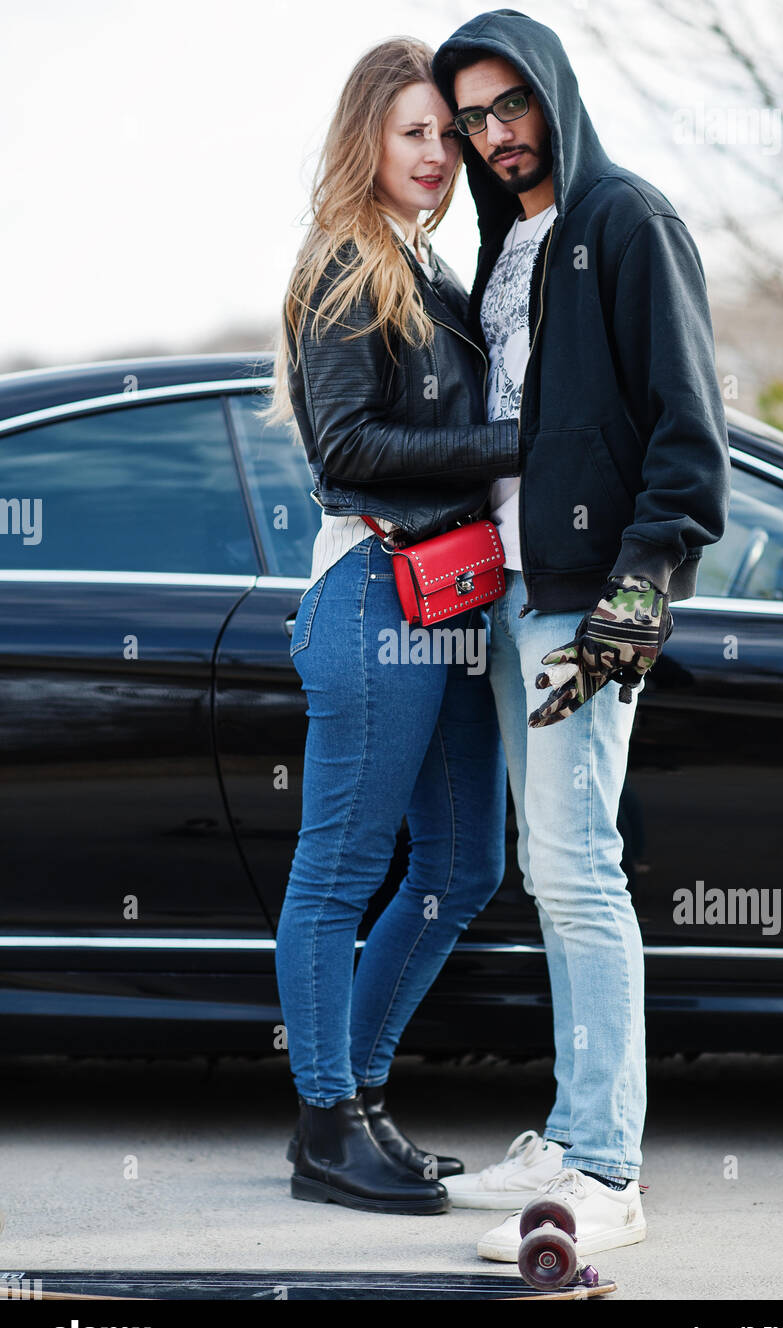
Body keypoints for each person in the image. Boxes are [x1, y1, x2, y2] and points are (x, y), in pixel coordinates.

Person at [431, 10, 730, 1258]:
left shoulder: (626, 223)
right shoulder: (511, 250)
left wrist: (637, 592)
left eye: (512, 107)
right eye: (472, 120)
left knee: (578, 868)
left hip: (585, 599)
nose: (496, 136)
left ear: (553, 93)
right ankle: (568, 1127)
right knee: (547, 872)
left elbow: (687, 436)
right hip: (507, 592)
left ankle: (605, 1171)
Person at [260, 36, 521, 1215]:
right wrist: (515, 447)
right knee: (340, 871)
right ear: (367, 136)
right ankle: (325, 1126)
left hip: (446, 598)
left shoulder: (431, 272)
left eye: (446, 135)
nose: (437, 154)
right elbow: (348, 449)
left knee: (463, 862)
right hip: (373, 593)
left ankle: (358, 1099)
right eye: (412, 131)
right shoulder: (342, 265)